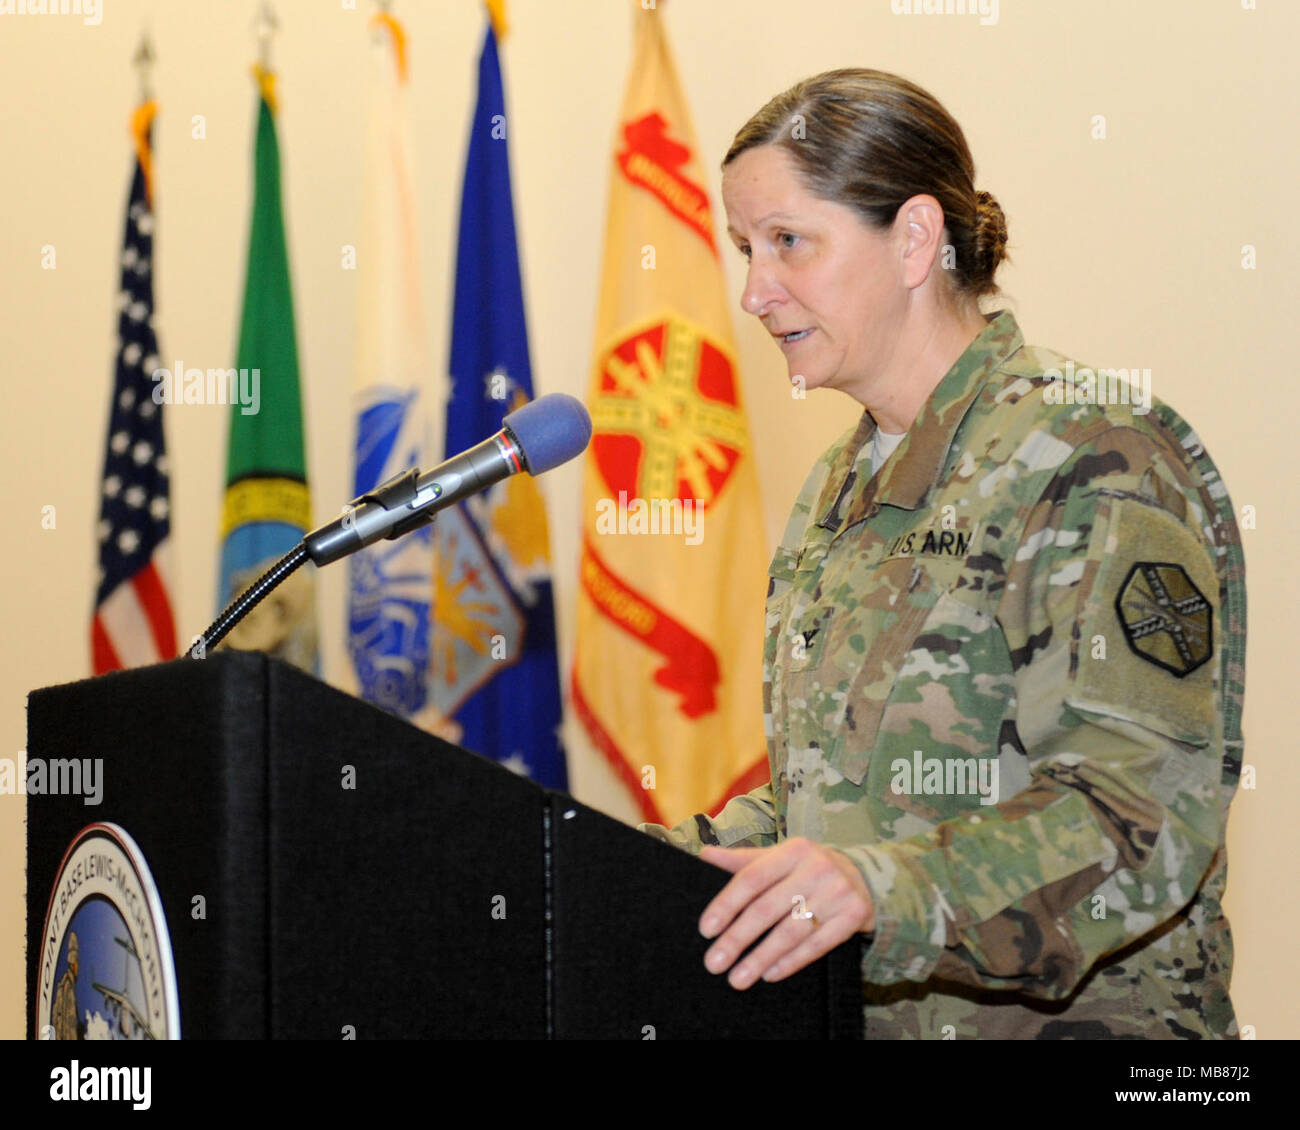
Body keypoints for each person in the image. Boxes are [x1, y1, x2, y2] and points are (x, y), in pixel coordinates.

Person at [638, 68, 1245, 1040]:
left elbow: (1142, 817)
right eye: (745, 248)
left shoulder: (1092, 451)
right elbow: (836, 803)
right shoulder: (835, 488)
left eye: (789, 241)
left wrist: (881, 890)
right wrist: (626, 863)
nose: (753, 290)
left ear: (915, 238)